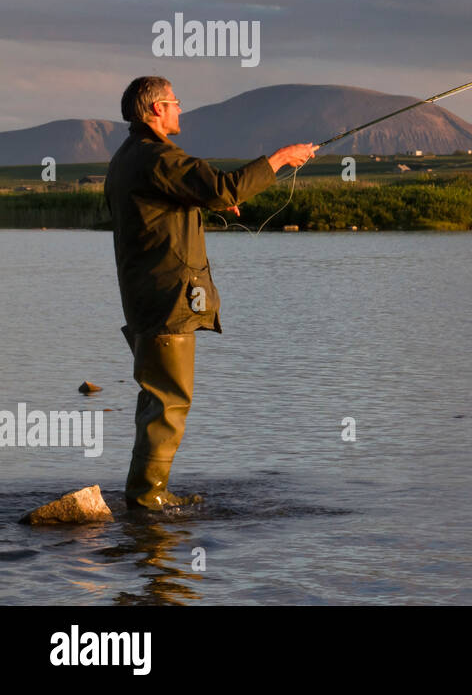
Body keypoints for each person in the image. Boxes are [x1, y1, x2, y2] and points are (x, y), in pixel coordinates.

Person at [105, 76, 317, 511]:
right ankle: (149, 499)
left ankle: (144, 496)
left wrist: (202, 200)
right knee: (169, 400)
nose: (180, 109)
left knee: (156, 397)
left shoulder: (129, 156)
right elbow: (223, 187)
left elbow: (177, 201)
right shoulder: (158, 155)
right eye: (176, 102)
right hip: (166, 299)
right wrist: (281, 158)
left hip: (146, 295)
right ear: (155, 109)